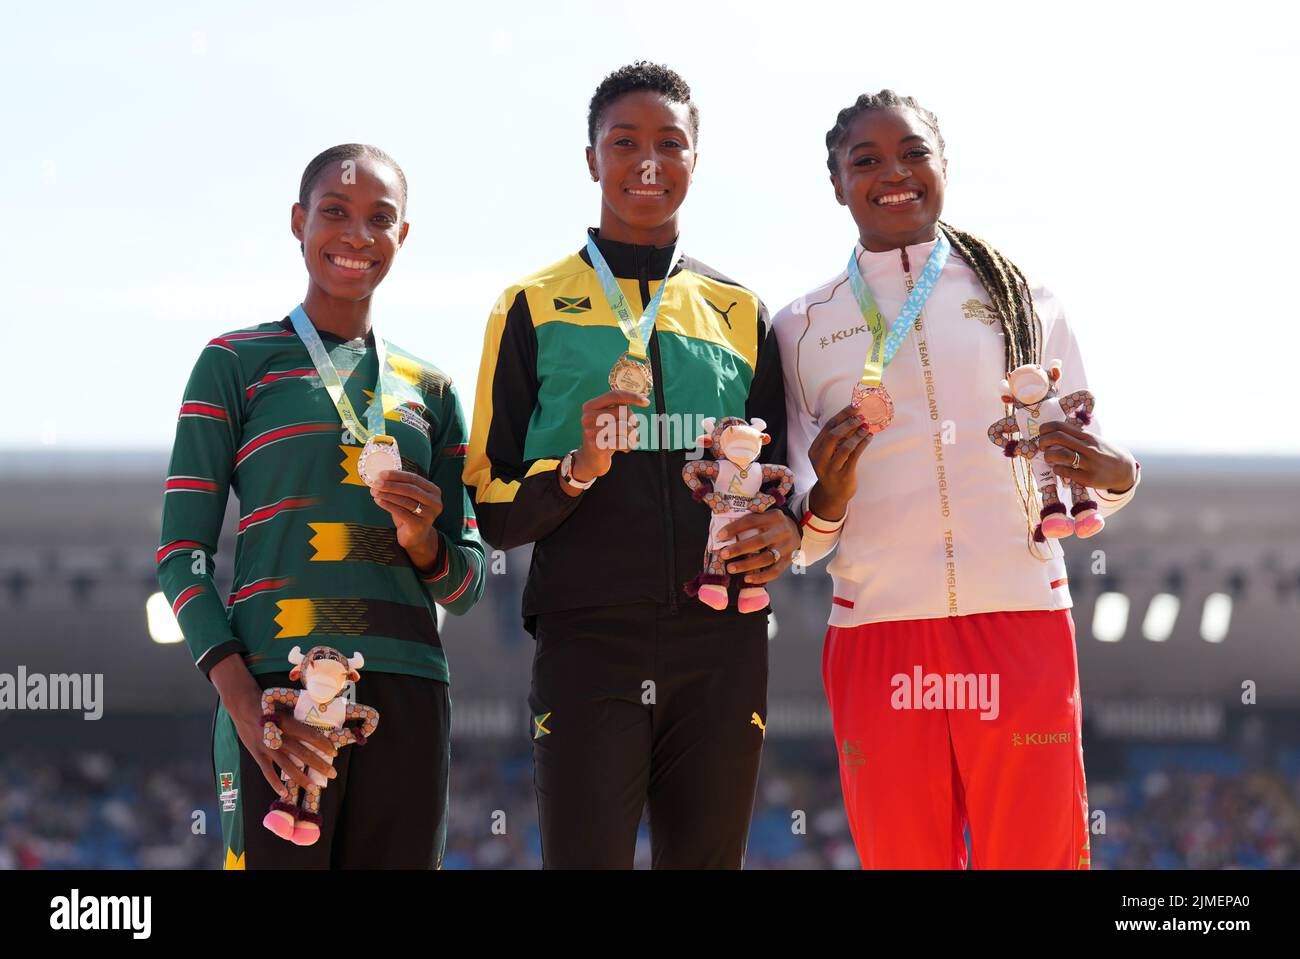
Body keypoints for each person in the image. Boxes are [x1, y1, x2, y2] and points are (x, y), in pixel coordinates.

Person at [774, 91, 1140, 869]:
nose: (893, 173)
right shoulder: (800, 325)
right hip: (877, 630)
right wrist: (826, 503)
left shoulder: (1025, 298)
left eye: (913, 153)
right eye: (865, 161)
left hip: (1020, 618)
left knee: (1038, 855)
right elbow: (802, 533)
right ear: (837, 184)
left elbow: (1083, 465)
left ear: (944, 167)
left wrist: (1119, 475)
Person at [464, 62, 800, 868]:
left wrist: (781, 530)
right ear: (591, 160)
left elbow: (783, 485)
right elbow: (490, 504)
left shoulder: (742, 310)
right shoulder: (529, 305)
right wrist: (578, 469)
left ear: (695, 160)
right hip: (589, 637)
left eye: (669, 142)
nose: (647, 161)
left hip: (724, 638)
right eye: (625, 142)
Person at [157, 144, 484, 869]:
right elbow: (178, 557)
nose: (356, 236)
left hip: (408, 688)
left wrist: (425, 539)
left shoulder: (431, 390)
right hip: (277, 685)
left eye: (380, 218)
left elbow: (468, 585)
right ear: (299, 222)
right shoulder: (233, 362)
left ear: (403, 237)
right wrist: (242, 698)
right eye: (334, 213)